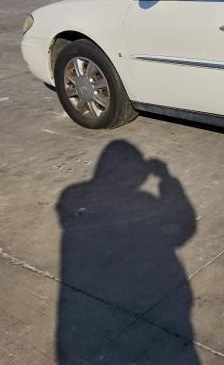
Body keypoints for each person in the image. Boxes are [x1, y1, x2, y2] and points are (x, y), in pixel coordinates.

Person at [55, 140, 198, 363]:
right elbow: (183, 229)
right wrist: (166, 180)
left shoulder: (73, 197)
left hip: (87, 326)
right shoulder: (144, 202)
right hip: (155, 310)